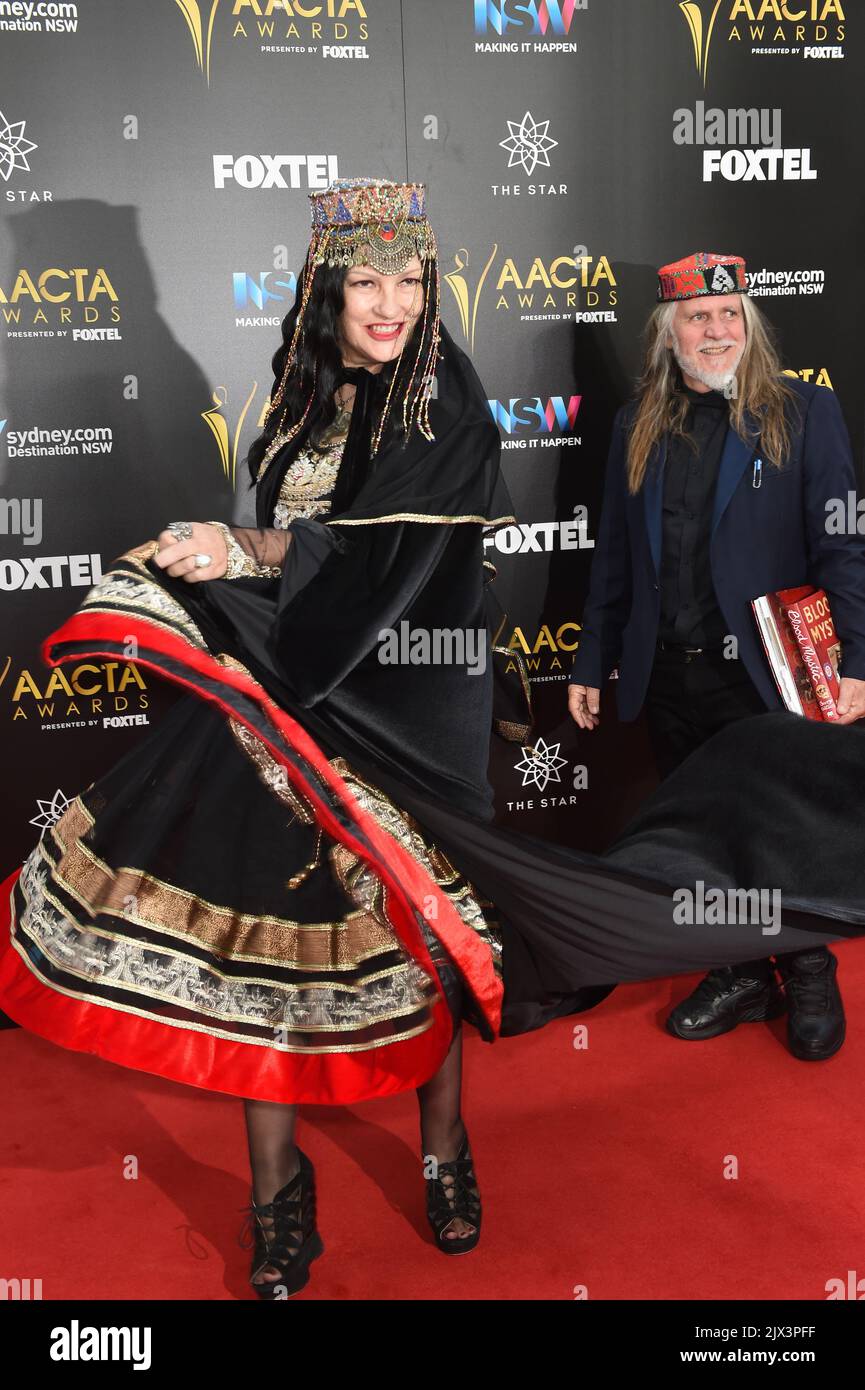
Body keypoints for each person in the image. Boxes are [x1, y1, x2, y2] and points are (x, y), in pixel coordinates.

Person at [2, 199, 865, 1302]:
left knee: (422, 934)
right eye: (367, 284)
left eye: (410, 282)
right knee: (275, 946)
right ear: (326, 288)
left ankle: (447, 1151)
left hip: (413, 708)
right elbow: (302, 562)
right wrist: (224, 578)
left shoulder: (447, 398)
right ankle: (277, 1191)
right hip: (298, 702)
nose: (393, 306)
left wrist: (244, 545)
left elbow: (396, 550)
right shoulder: (294, 399)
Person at [568, 251, 865, 1060]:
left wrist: (857, 665)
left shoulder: (802, 412)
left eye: (729, 313)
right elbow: (614, 562)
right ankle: (736, 970)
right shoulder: (637, 424)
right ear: (669, 332)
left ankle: (805, 970)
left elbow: (843, 548)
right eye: (698, 316)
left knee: (770, 832)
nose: (716, 329)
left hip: (762, 673)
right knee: (704, 835)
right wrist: (592, 661)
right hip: (667, 669)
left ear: (749, 324)